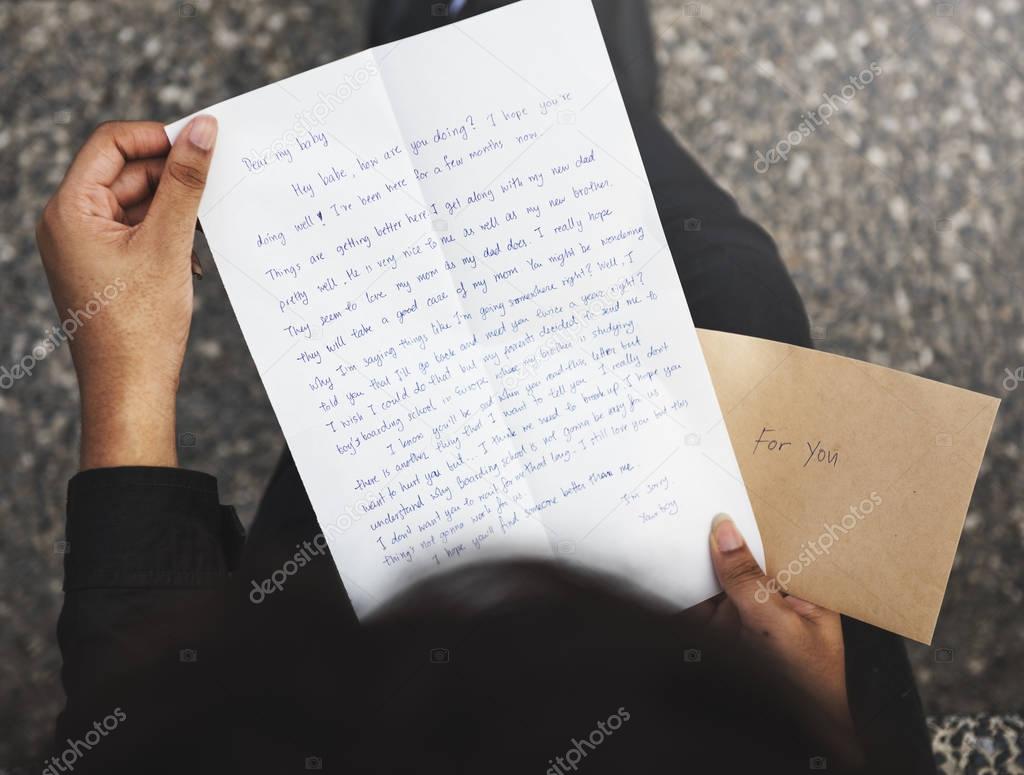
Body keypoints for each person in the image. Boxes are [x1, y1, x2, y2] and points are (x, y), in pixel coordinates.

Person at [35, 1, 935, 773]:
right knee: (724, 272)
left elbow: (141, 734)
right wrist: (827, 730)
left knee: (529, 104)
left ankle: (461, 29)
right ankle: (527, 43)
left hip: (361, 604)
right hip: (745, 669)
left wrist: (127, 375)